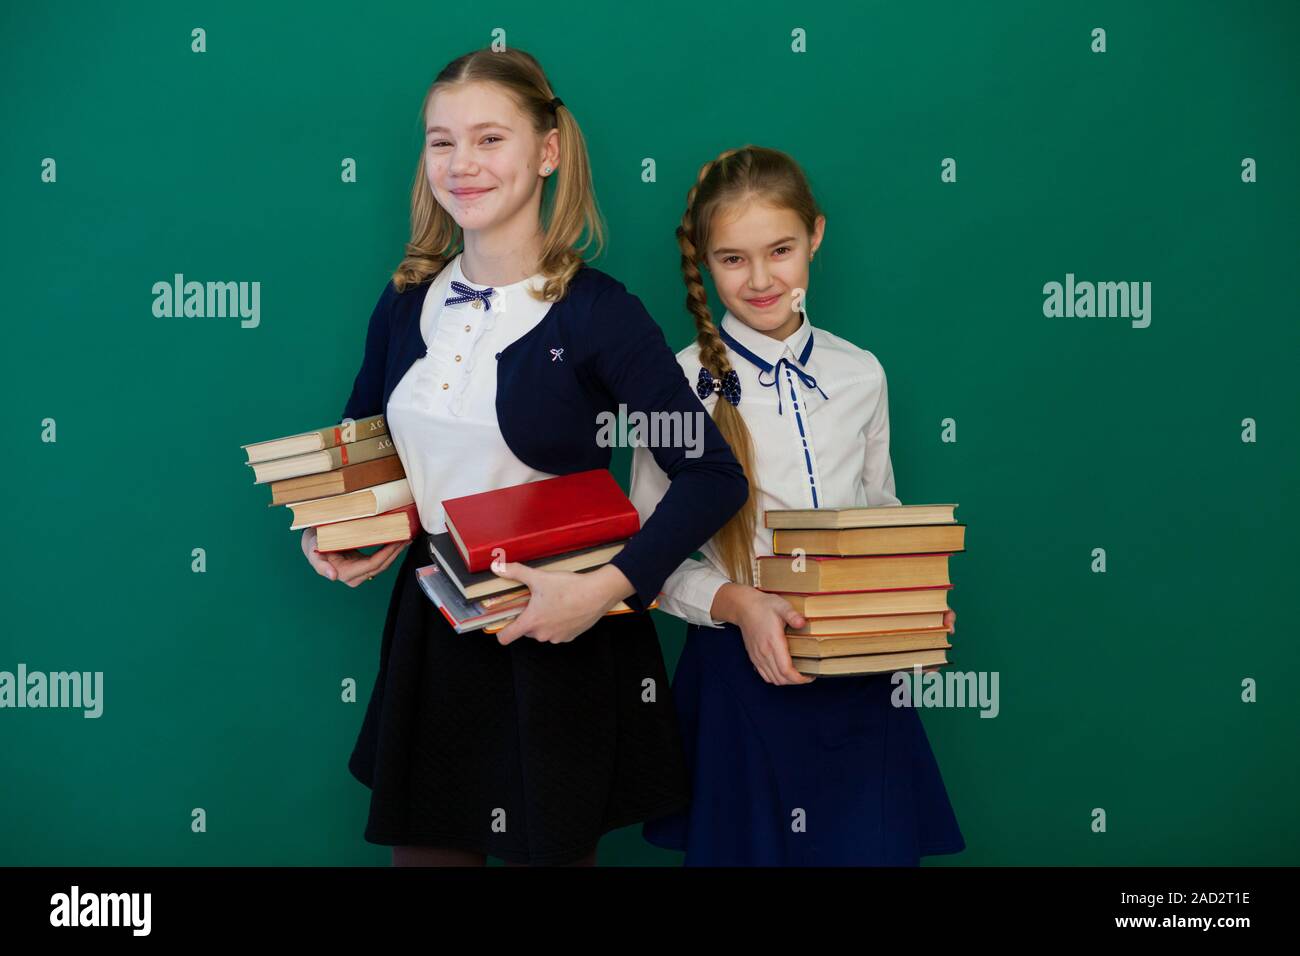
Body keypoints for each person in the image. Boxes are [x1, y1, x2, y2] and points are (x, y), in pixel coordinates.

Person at [301, 48, 749, 867]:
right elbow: (365, 451)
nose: (461, 164)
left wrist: (602, 591)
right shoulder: (406, 299)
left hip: (556, 633)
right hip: (433, 628)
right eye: (442, 141)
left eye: (488, 138)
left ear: (547, 152)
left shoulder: (600, 314)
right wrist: (340, 528)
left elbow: (712, 474)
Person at [632, 145, 965, 865]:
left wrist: (915, 602)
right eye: (731, 259)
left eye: (780, 250)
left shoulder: (860, 373)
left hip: (862, 683)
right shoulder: (674, 386)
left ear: (815, 236)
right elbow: (648, 563)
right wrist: (740, 605)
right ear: (702, 258)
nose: (760, 280)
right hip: (739, 683)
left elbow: (883, 516)